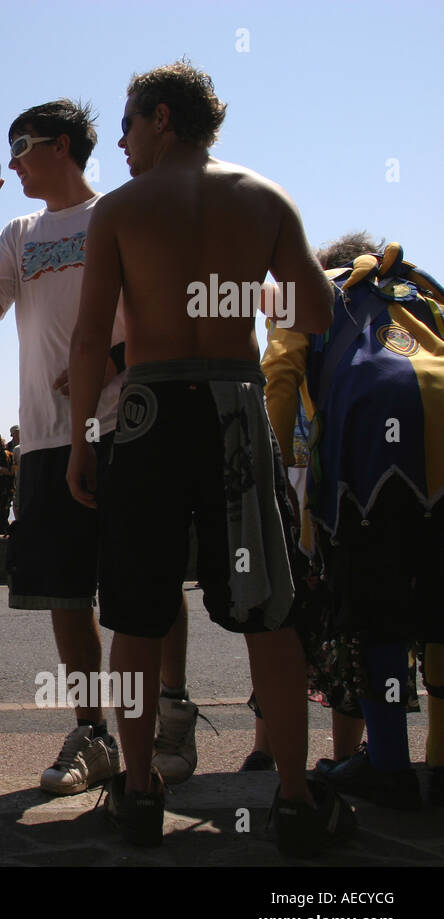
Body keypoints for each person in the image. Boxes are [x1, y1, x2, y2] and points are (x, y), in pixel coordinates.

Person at [66, 60, 354, 854]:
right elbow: (315, 308)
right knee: (269, 609)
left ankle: (137, 793)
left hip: (151, 410)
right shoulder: (263, 197)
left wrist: (85, 436)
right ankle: (294, 798)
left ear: (161, 117)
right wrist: (240, 289)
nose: (120, 146)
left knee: (132, 611)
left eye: (126, 128)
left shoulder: (120, 209)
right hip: (231, 405)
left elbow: (92, 338)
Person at [0, 97, 196, 797]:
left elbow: (168, 308)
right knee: (65, 591)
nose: (12, 164)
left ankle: (170, 716)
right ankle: (93, 732)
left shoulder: (121, 212)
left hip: (130, 422)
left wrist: (111, 362)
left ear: (61, 145)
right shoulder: (18, 234)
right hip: (46, 436)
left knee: (148, 581)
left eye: (22, 145)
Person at [256, 232, 443, 809]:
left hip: (371, 451)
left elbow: (280, 381)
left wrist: (272, 471)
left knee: (375, 609)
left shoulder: (313, 294)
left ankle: (387, 765)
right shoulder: (423, 288)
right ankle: (439, 765)